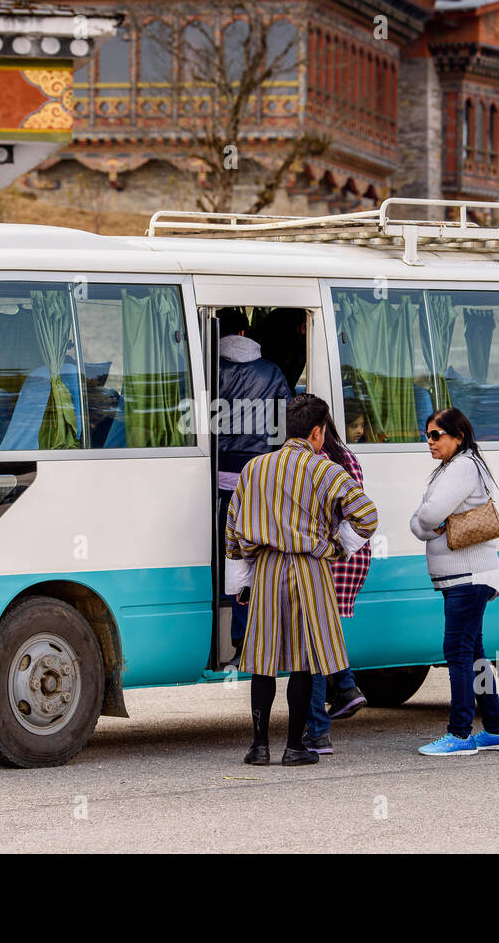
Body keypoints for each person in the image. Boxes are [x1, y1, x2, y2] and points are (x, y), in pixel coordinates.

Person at [225, 394, 378, 766]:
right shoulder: (326, 470)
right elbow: (367, 517)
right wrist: (338, 548)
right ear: (317, 432)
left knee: (262, 662)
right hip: (310, 571)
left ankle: (259, 747)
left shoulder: (254, 469)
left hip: (265, 571)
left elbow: (233, 529)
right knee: (303, 662)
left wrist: (240, 583)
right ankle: (295, 747)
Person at [409, 407, 499, 756]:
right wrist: (426, 524)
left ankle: (460, 733)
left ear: (458, 437)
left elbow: (426, 515)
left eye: (436, 435)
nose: (430, 441)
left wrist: (426, 524)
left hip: (469, 577)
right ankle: (497, 730)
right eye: (427, 435)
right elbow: (419, 522)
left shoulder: (464, 467)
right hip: (461, 577)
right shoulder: (449, 469)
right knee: (473, 653)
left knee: (456, 650)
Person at [216, 308, 294, 657]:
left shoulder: (208, 370)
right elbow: (283, 429)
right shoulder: (271, 371)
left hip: (219, 480)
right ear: (246, 333)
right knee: (253, 559)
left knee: (224, 556)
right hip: (258, 480)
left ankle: (222, 635)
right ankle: (252, 636)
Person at [301, 411, 370, 756]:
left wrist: (332, 546)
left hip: (330, 557)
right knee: (321, 633)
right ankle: (345, 687)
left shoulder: (317, 461)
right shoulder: (346, 455)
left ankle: (317, 730)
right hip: (353, 555)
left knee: (312, 646)